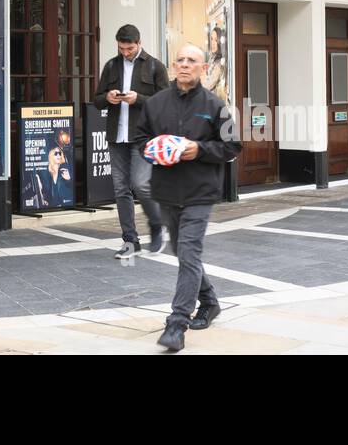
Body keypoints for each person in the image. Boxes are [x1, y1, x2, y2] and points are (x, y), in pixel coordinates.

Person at [135, 44, 241, 352]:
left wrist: (200, 149)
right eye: (180, 60)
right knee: (182, 253)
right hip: (166, 190)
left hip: (200, 191)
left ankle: (176, 323)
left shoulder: (215, 104)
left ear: (203, 68)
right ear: (173, 65)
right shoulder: (155, 104)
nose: (184, 65)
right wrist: (154, 149)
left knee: (189, 252)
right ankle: (209, 302)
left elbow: (232, 147)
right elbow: (141, 139)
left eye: (191, 60)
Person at [93, 25, 170, 256]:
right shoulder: (110, 65)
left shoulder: (156, 66)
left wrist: (139, 99)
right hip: (116, 136)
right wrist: (107, 97)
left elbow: (165, 103)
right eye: (121, 48)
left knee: (140, 184)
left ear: (139, 42)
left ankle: (156, 225)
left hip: (142, 136)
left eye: (129, 48)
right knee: (120, 189)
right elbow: (96, 100)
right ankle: (130, 240)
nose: (125, 52)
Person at [200, 24, 227, 102]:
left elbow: (208, 85)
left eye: (216, 40)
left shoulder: (220, 62)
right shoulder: (212, 57)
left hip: (214, 101)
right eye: (211, 39)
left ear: (220, 41)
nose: (213, 43)